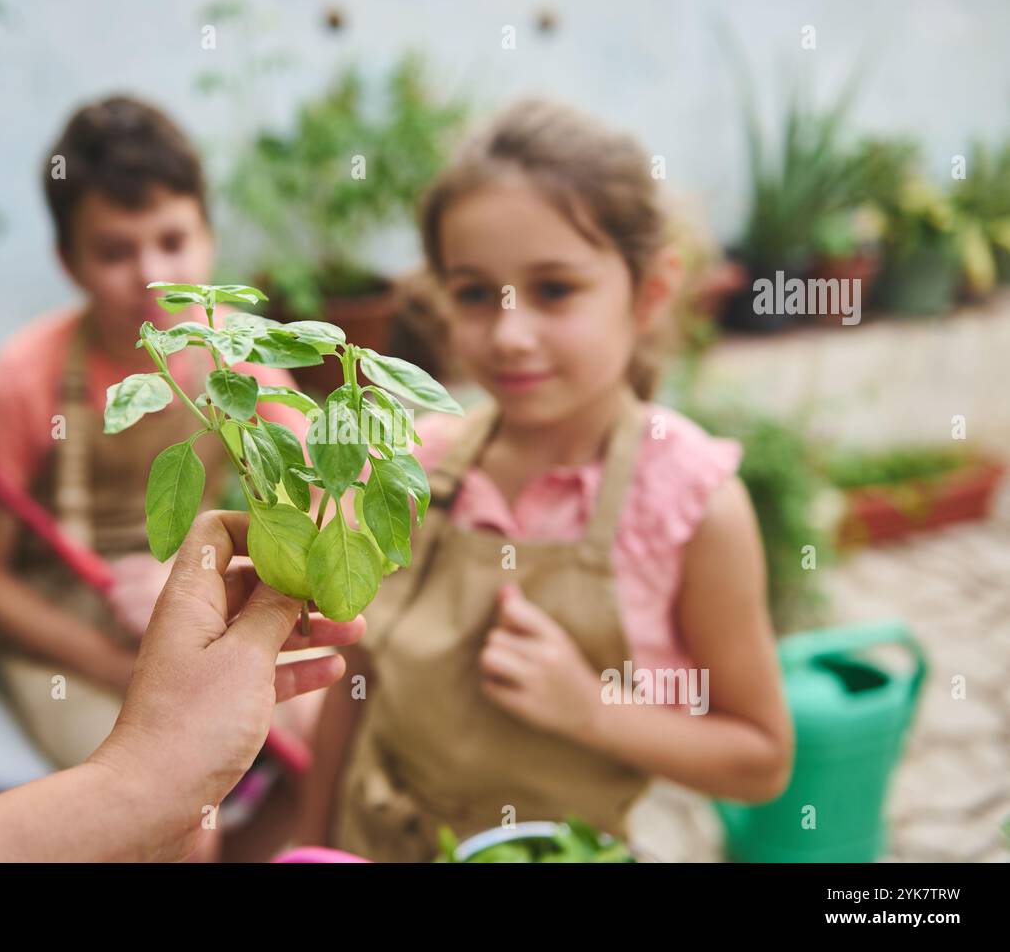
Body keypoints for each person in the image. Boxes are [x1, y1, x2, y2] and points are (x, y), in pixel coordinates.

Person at [298, 100, 794, 861]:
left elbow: (761, 759)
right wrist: (310, 844)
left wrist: (592, 709)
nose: (510, 334)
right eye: (473, 293)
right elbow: (352, 687)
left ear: (651, 291)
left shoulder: (690, 509)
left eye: (554, 290)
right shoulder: (411, 466)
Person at [0, 96, 310, 781]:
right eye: (115, 252)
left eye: (173, 242)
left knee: (321, 736)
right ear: (68, 260)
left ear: (208, 235)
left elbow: (314, 501)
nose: (153, 277)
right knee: (167, 790)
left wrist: (206, 581)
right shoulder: (27, 376)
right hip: (60, 633)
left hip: (186, 591)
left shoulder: (236, 352)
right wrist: (113, 664)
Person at [0, 512, 363, 863]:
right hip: (62, 643)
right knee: (198, 830)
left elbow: (319, 486)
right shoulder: (30, 375)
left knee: (305, 759)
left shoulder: (225, 363)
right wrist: (108, 664)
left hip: (189, 614)